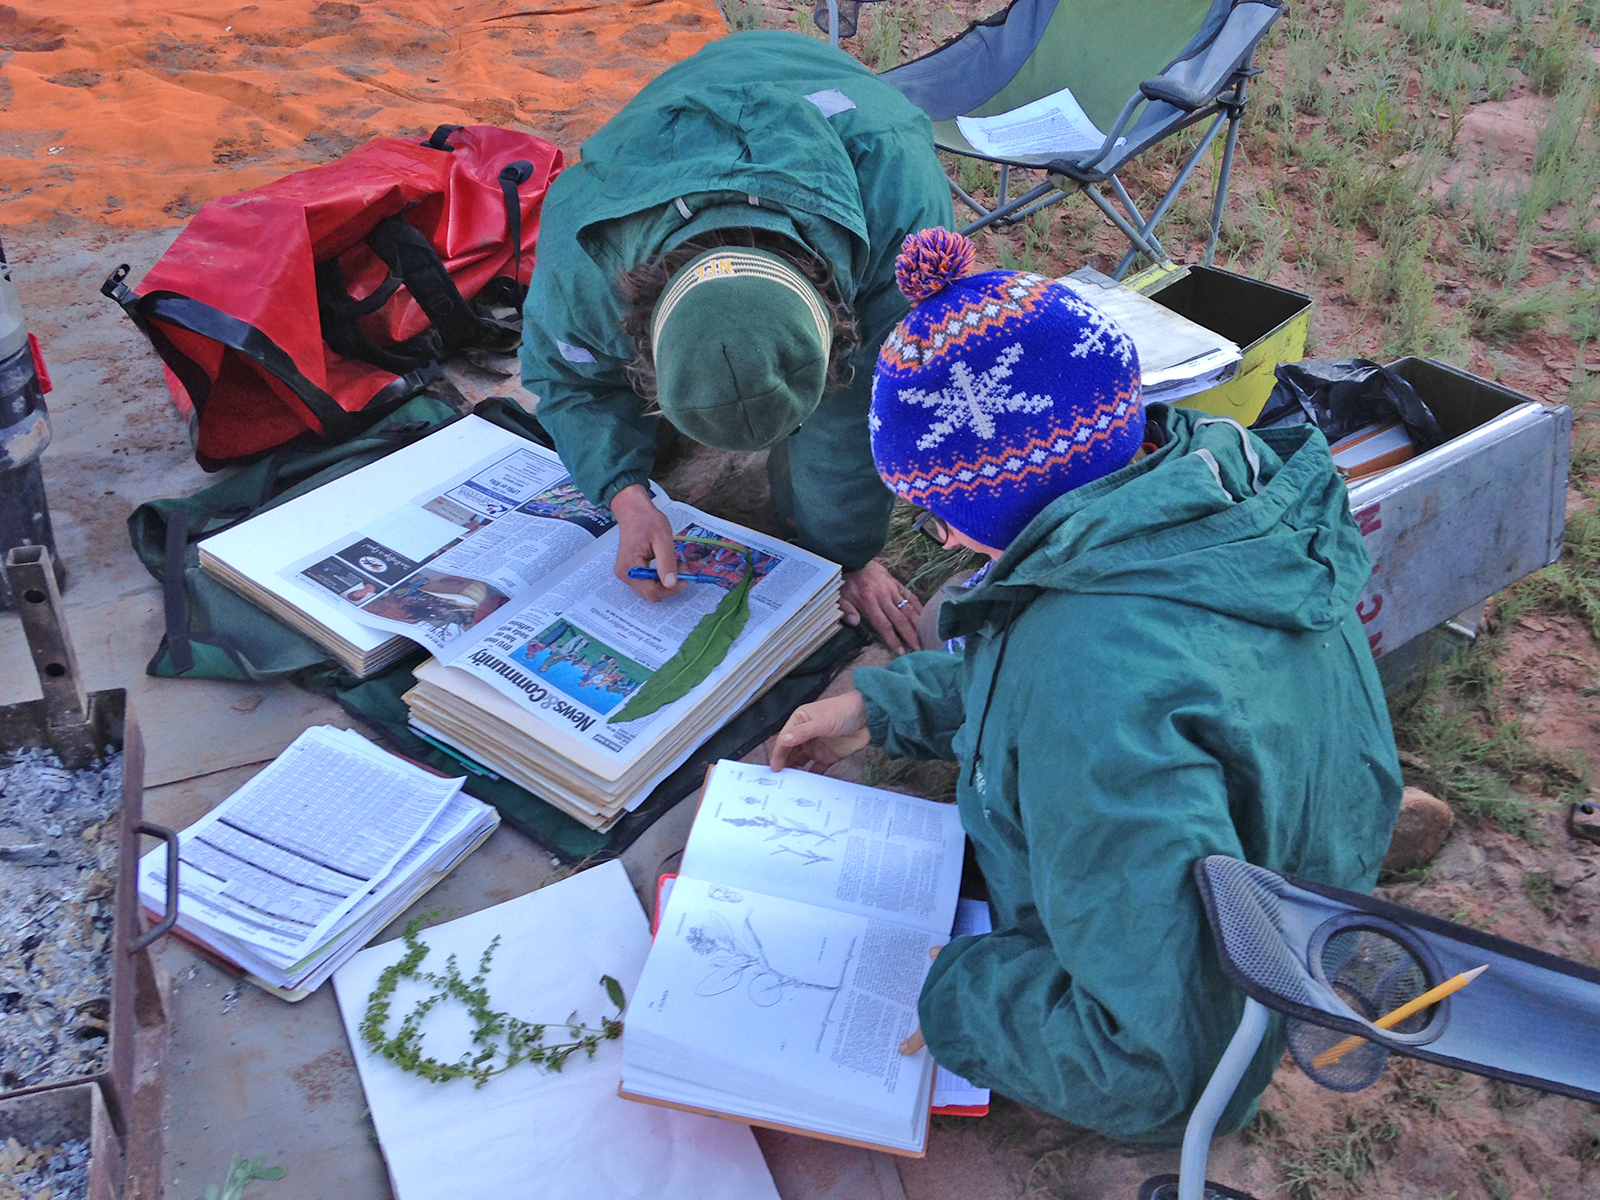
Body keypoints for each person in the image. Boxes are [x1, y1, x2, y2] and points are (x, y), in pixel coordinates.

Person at [768, 229, 1403, 1143]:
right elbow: (1074, 654)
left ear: (1008, 496)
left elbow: (1152, 1073)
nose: (941, 539)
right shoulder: (1212, 483)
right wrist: (885, 706)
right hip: (1309, 857)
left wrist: (958, 993)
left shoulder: (1092, 702)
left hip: (1235, 996)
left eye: (941, 508)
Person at [520, 30, 955, 653]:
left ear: (837, 321)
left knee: (845, 441)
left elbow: (860, 418)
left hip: (847, 121)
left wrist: (843, 558)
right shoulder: (582, 262)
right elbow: (568, 382)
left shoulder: (900, 203)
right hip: (686, 115)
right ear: (639, 336)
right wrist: (626, 497)